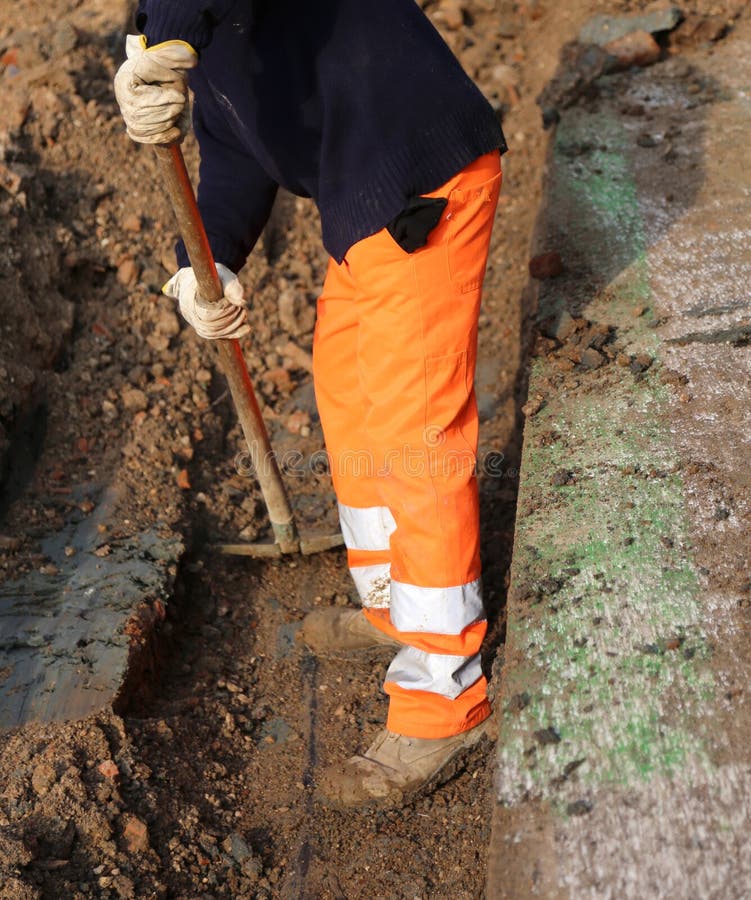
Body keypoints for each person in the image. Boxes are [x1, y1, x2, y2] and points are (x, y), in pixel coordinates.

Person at [114, 0, 507, 809]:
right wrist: (206, 264)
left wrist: (169, 38)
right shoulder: (194, 36)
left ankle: (444, 698)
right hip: (363, 205)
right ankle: (394, 599)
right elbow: (234, 155)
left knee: (411, 431)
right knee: (348, 388)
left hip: (416, 176)